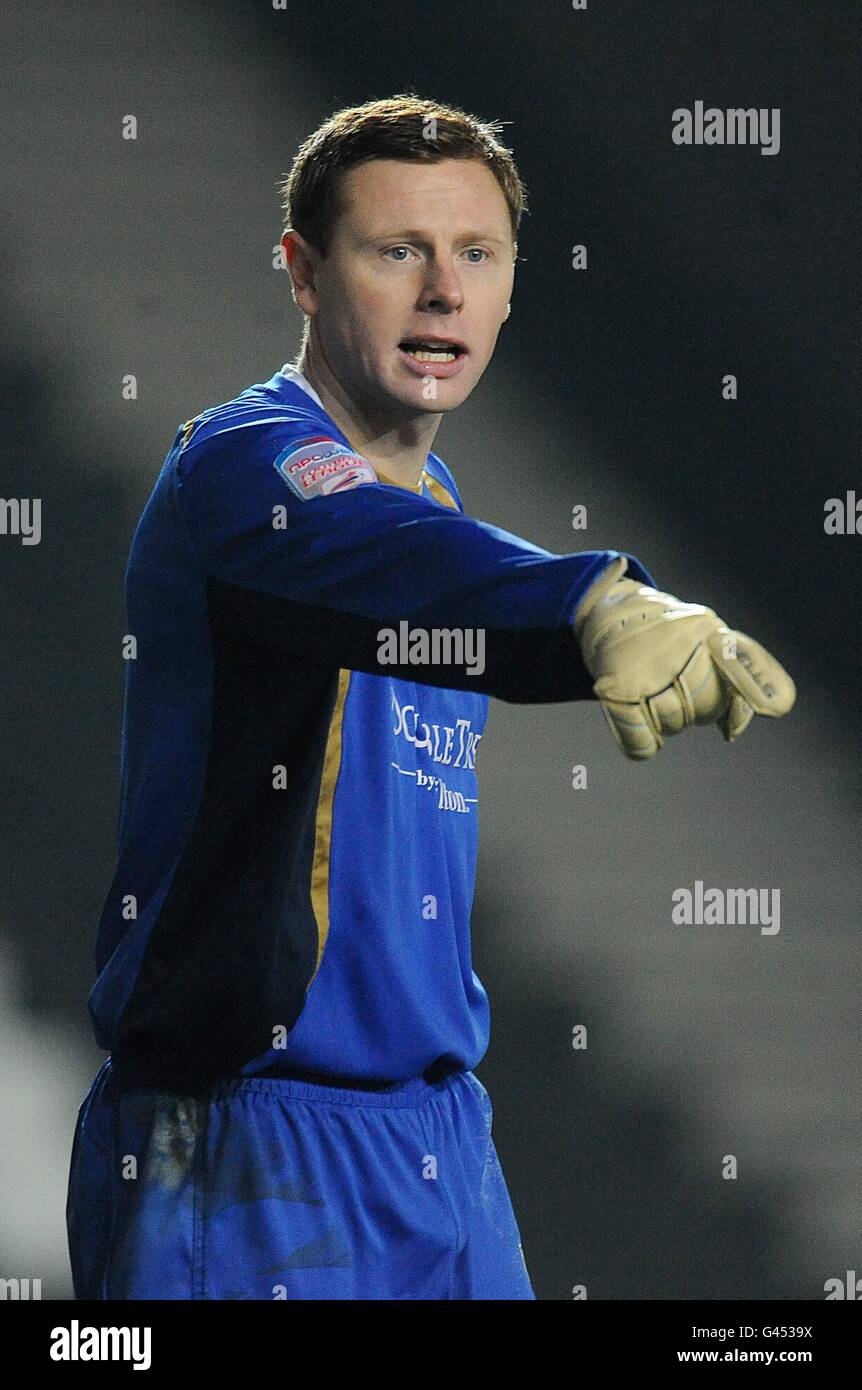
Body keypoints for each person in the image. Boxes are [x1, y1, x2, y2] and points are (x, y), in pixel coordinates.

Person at [66, 94, 795, 1300]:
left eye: (476, 255)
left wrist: (585, 612)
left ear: (510, 286)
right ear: (302, 273)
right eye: (395, 250)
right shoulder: (244, 467)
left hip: (441, 1150)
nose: (442, 292)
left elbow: (440, 567)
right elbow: (378, 554)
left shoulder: (440, 513)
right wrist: (591, 604)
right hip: (249, 1150)